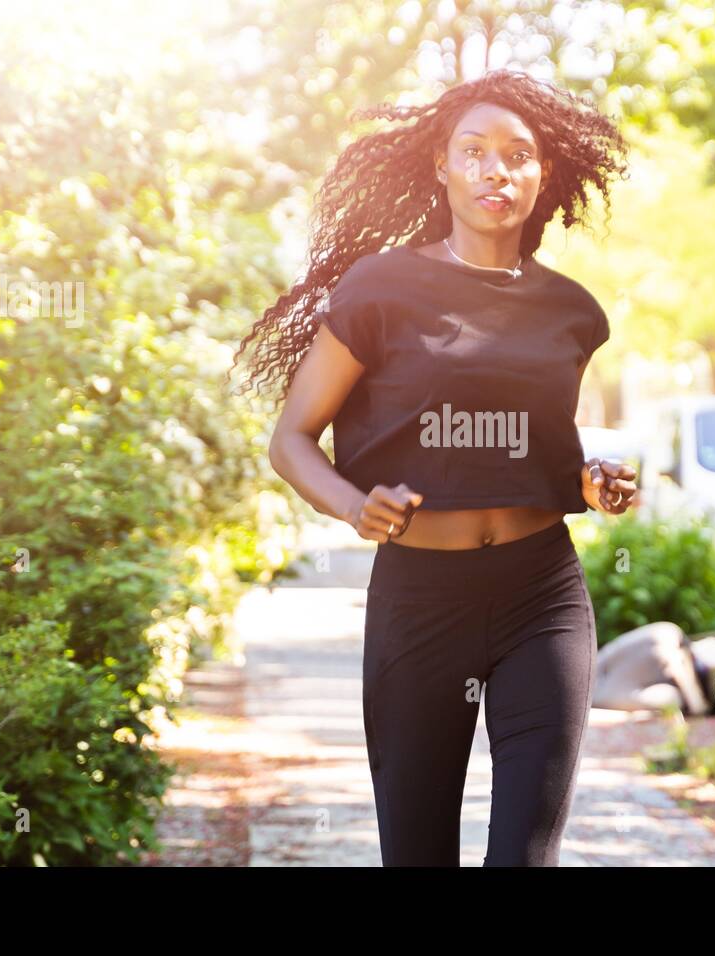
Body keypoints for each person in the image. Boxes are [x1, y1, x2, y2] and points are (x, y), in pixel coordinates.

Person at [228, 69, 635, 866]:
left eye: (518, 155)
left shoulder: (573, 311)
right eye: (474, 152)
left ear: (542, 174)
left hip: (540, 596)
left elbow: (535, 441)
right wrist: (353, 506)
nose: (496, 170)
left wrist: (589, 479)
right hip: (419, 602)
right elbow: (292, 440)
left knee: (524, 857)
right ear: (441, 167)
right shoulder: (382, 289)